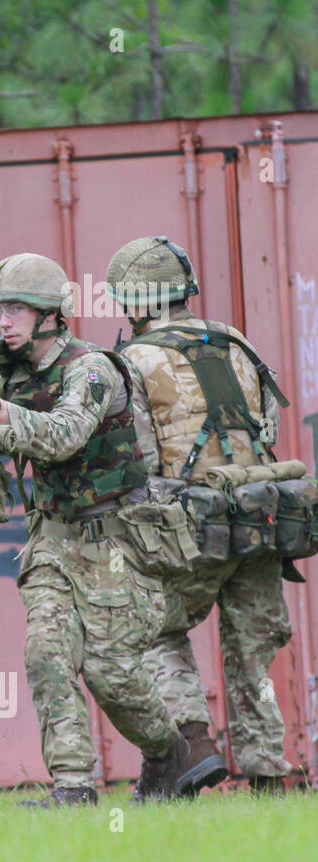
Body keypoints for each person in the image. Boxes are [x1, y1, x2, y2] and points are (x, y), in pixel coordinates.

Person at [0, 252, 194, 807]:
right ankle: (73, 788)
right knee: (46, 653)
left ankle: (169, 752)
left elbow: (64, 435)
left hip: (115, 540)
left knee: (111, 674)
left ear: (51, 313)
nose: (3, 321)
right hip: (52, 538)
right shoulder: (12, 372)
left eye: (16, 309)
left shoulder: (90, 367)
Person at [109, 235, 294, 795]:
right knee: (252, 654)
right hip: (260, 513)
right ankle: (266, 774)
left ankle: (195, 747)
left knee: (157, 632)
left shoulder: (132, 360)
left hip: (188, 524)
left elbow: (137, 461)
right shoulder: (236, 341)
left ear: (136, 302)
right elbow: (268, 428)